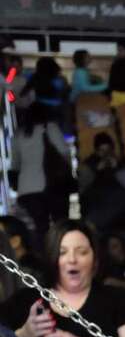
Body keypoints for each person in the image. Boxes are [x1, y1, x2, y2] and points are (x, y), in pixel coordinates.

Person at [12, 103, 70, 240]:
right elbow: (64, 154)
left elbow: (15, 164)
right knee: (61, 225)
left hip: (28, 189)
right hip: (53, 184)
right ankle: (59, 254)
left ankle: (43, 256)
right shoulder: (51, 128)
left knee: (40, 228)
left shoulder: (19, 135)